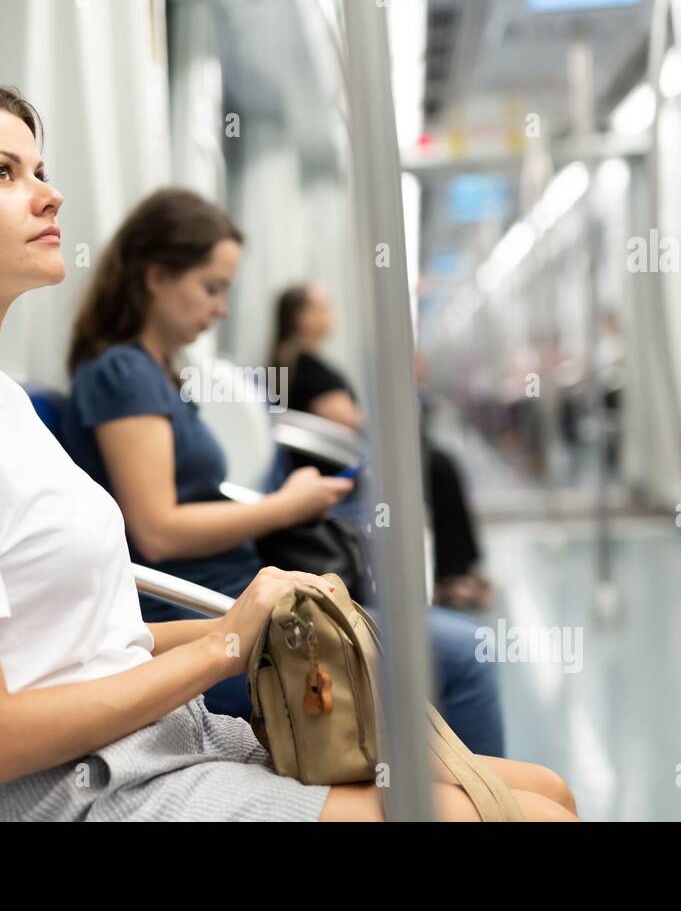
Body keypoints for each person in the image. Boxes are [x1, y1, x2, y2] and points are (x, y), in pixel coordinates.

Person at [0, 86, 577, 821]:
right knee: (527, 815)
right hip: (90, 795)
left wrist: (258, 619)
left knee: (546, 788)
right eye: (3, 173)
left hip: (159, 744)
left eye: (40, 169)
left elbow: (96, 648)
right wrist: (226, 645)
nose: (48, 193)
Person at [64, 189, 506, 757]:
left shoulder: (157, 372)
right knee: (466, 658)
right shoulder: (123, 373)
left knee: (444, 645)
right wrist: (288, 505)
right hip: (201, 612)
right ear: (155, 277)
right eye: (211, 288)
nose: (221, 308)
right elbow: (158, 530)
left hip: (235, 595)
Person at [271, 283, 493, 610]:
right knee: (439, 468)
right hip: (342, 466)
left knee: (439, 462)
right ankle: (454, 573)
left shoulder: (299, 363)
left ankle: (457, 569)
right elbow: (349, 422)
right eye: (321, 307)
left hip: (341, 458)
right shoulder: (307, 367)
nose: (330, 313)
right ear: (301, 318)